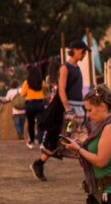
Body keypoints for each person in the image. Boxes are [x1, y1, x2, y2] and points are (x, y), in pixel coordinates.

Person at [34, 42, 87, 181]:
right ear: (74, 50)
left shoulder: (77, 68)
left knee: (70, 139)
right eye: (82, 51)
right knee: (65, 139)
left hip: (77, 108)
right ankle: (39, 163)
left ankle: (39, 163)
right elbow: (61, 90)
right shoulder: (65, 68)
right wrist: (68, 109)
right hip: (68, 110)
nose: (84, 54)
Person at [21, 65, 46, 150]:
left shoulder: (26, 82)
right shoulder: (42, 82)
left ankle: (31, 141)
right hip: (40, 103)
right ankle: (41, 143)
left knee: (31, 124)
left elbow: (22, 94)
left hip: (30, 104)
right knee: (40, 124)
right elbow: (44, 92)